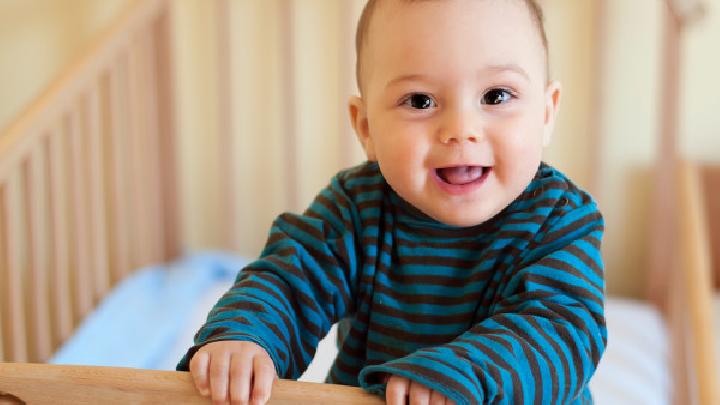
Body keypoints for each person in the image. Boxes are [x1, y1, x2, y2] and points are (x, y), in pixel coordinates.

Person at [177, 0, 606, 404]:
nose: (461, 129)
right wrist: (246, 337)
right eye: (420, 101)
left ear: (546, 113)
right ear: (366, 127)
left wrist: (464, 374)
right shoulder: (355, 209)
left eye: (496, 96)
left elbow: (560, 330)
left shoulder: (560, 219)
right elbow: (290, 281)